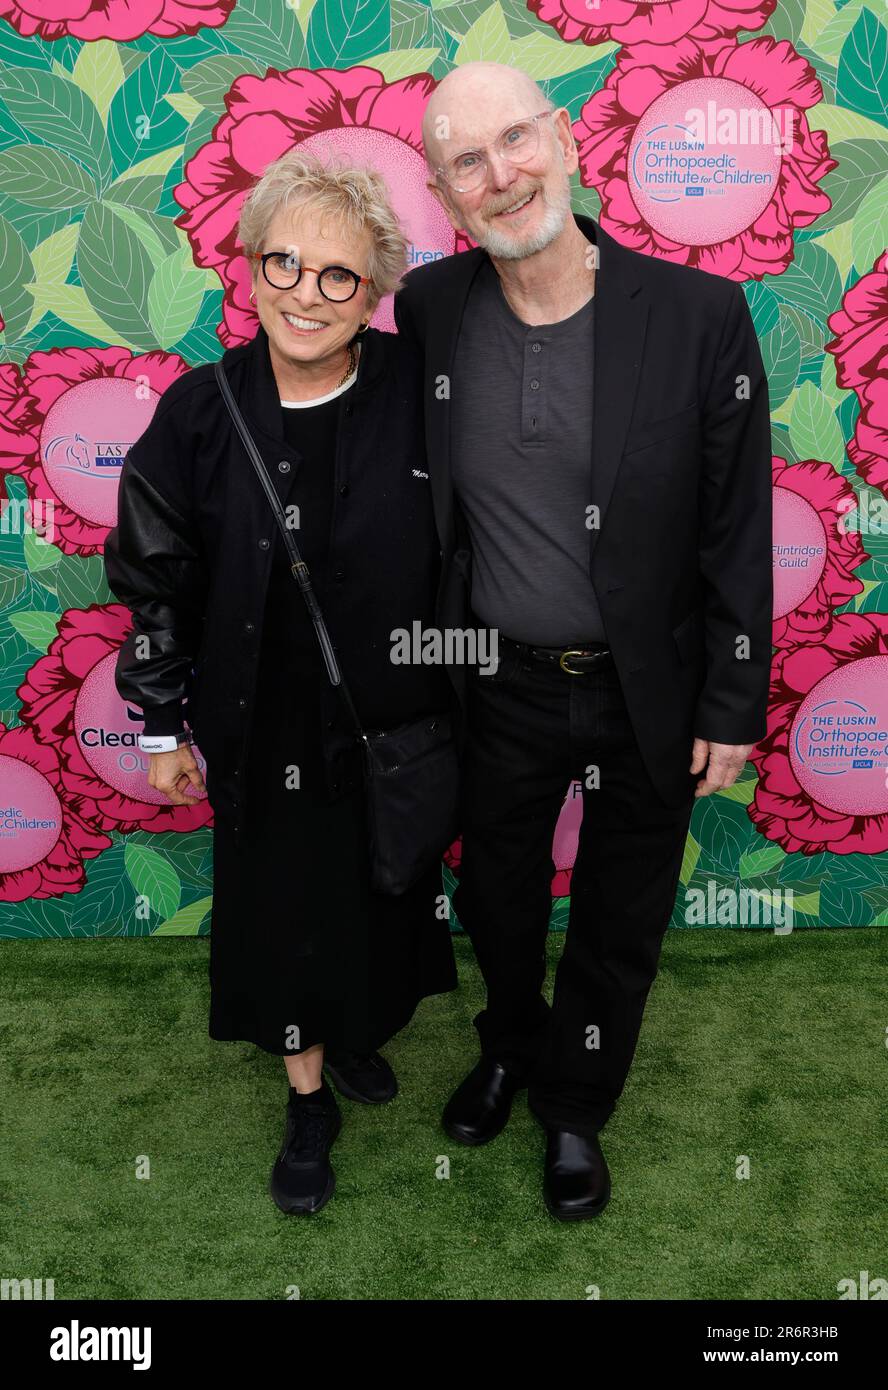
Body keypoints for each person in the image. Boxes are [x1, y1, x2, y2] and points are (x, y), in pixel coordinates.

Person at [394, 62, 772, 1220]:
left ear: (563, 139)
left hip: (645, 686)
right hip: (494, 684)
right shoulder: (430, 309)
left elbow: (736, 520)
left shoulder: (699, 316)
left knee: (620, 914)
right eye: (469, 161)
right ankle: (509, 1045)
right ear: (448, 195)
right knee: (498, 896)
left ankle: (574, 1106)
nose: (501, 174)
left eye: (515, 139)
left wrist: (730, 703)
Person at [104, 152, 458, 1216]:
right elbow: (155, 574)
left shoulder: (419, 392)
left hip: (388, 715)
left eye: (338, 275)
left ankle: (353, 1034)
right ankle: (307, 1097)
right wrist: (160, 721)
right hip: (260, 722)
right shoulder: (199, 412)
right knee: (282, 908)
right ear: (250, 270)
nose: (306, 292)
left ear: (377, 289)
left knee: (381, 887)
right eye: (284, 263)